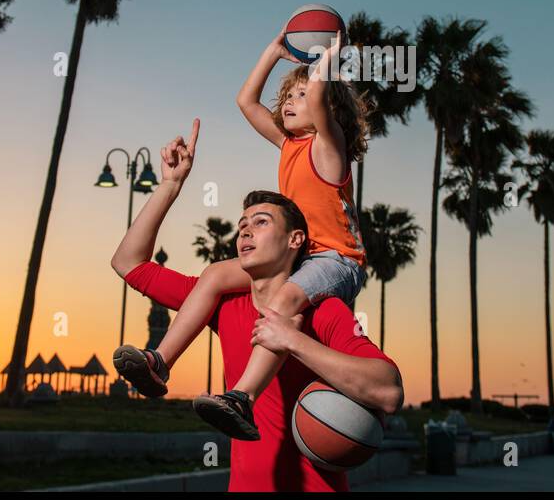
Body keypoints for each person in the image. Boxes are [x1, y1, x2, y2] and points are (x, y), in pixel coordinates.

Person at [109, 118, 403, 491]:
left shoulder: (323, 311)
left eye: (261, 222)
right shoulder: (219, 300)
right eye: (242, 225)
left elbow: (389, 391)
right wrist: (169, 185)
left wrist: (293, 341)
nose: (245, 230)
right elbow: (129, 264)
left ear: (295, 239)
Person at [114, 31, 371, 442]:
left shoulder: (329, 147)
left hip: (335, 260)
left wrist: (327, 59)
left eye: (300, 95)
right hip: (300, 256)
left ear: (327, 106)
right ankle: (160, 362)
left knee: (286, 298)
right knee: (215, 274)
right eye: (287, 96)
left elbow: (322, 98)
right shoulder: (289, 145)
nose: (289, 102)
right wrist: (273, 52)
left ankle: (241, 399)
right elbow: (246, 103)